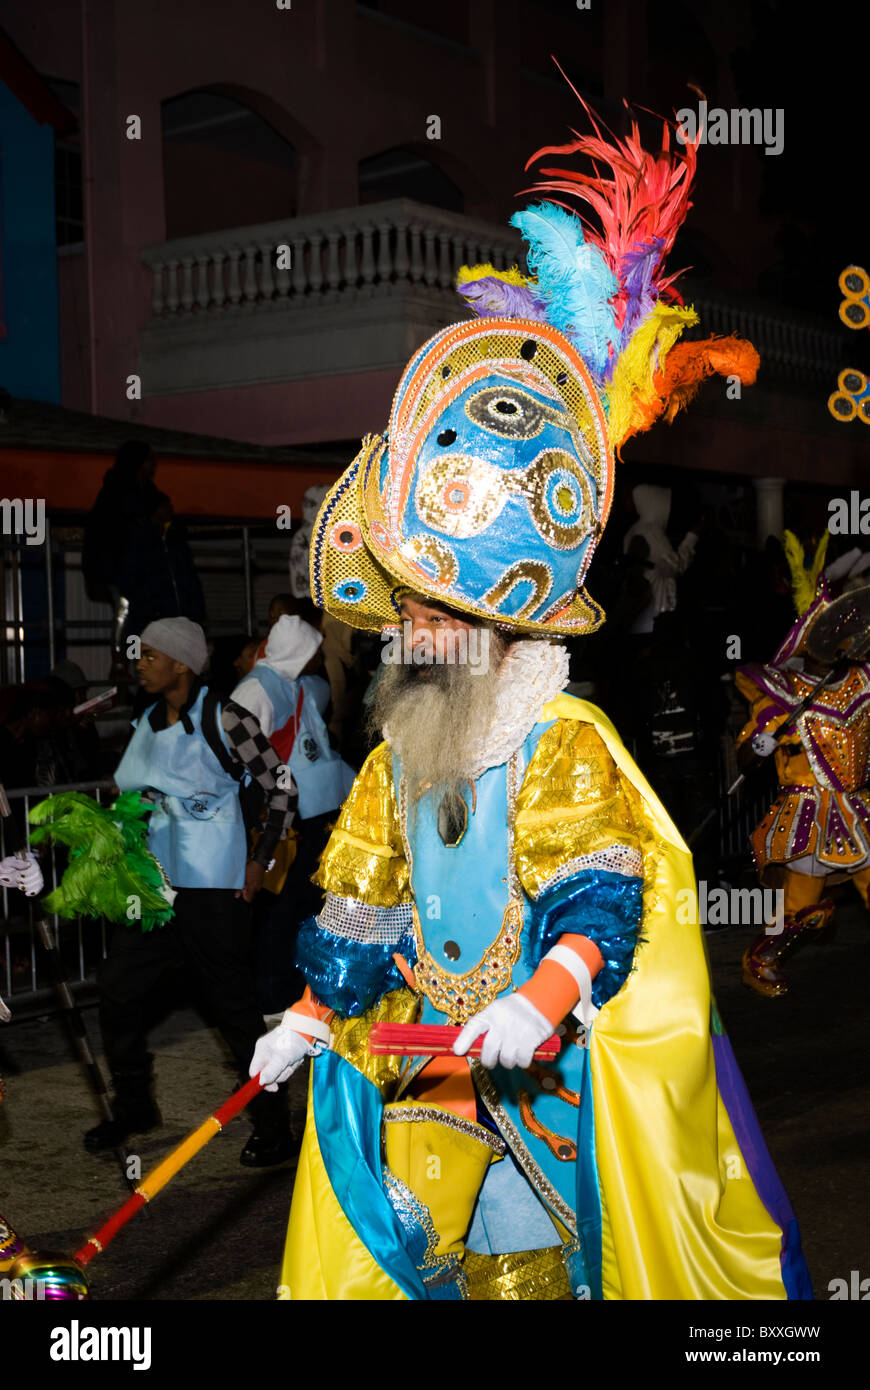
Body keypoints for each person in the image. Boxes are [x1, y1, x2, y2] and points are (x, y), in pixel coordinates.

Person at [246, 102, 810, 1300]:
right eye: (406, 613)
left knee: (538, 1278)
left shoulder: (558, 737)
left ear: (503, 631)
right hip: (434, 1066)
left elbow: (603, 894)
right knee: (395, 1242)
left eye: (437, 612)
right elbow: (363, 908)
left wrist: (539, 997)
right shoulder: (401, 755)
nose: (415, 633)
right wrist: (306, 1015)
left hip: (552, 1077)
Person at [86, 617, 297, 1166]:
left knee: (233, 1010)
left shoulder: (226, 716)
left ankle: (274, 1125)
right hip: (158, 884)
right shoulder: (148, 719)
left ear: (181, 663)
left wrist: (260, 860)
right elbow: (126, 790)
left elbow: (281, 785)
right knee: (116, 987)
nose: (140, 663)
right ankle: (135, 1106)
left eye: (151, 656)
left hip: (216, 888)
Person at [736, 575, 870, 996]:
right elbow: (746, 759)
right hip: (810, 816)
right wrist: (761, 743)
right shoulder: (782, 694)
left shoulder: (861, 682)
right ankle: (758, 959)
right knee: (801, 908)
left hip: (859, 805)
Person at [231, 615, 354, 1009]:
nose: (320, 660)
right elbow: (243, 758)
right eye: (315, 653)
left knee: (302, 905)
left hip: (311, 813)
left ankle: (294, 991)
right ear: (300, 654)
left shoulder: (297, 683)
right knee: (277, 910)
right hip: (283, 816)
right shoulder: (256, 690)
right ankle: (271, 995)